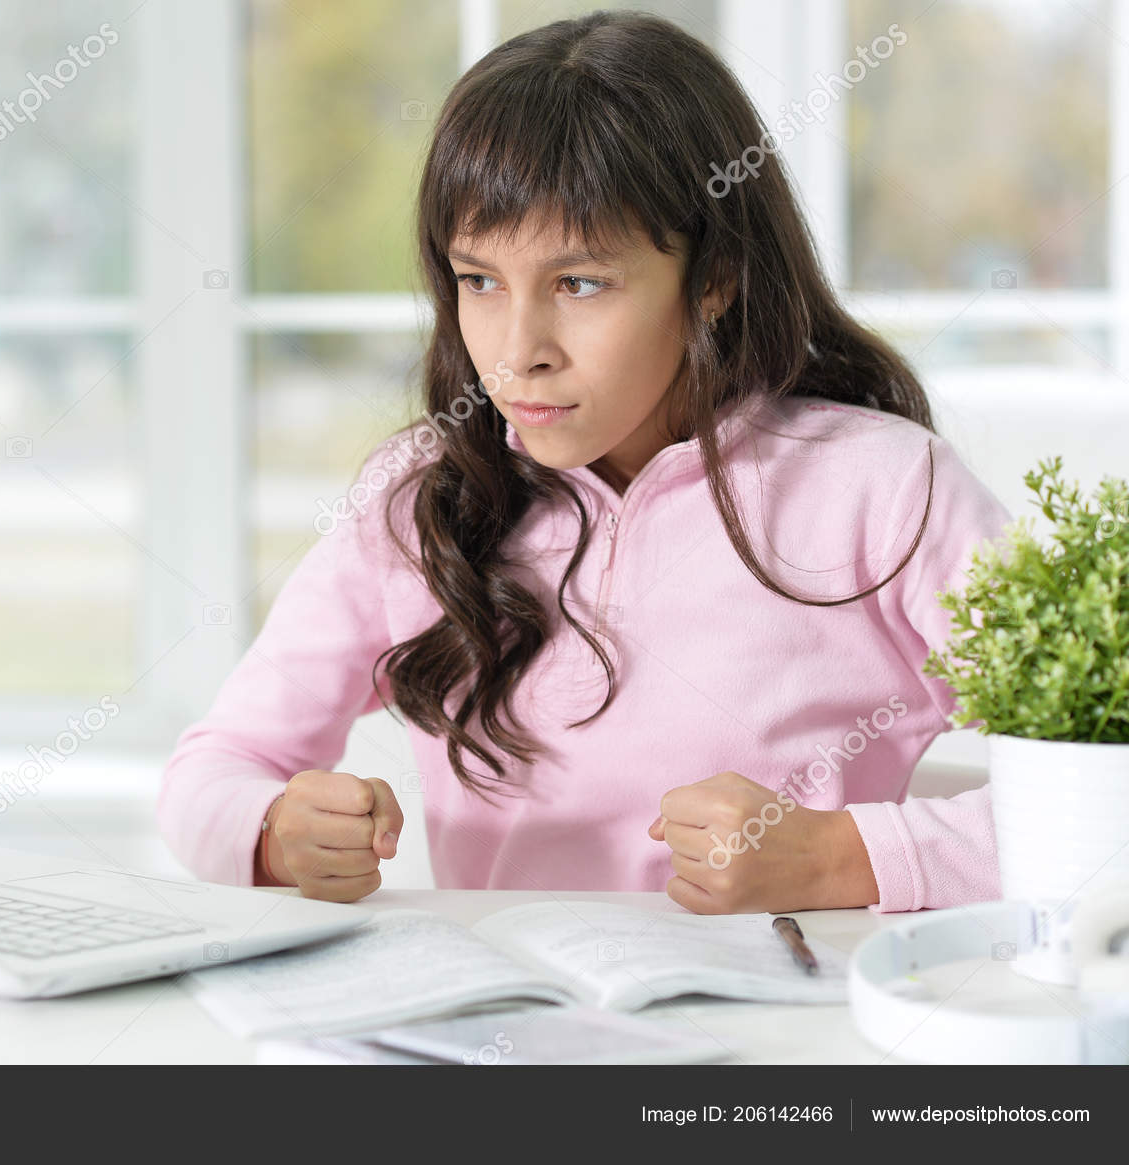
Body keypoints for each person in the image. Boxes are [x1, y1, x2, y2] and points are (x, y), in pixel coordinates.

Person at [158, 11, 1008, 913]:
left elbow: (1095, 805)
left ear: (715, 277)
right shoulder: (415, 502)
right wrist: (273, 831)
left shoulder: (887, 492)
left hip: (788, 1006)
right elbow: (213, 769)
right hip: (504, 1004)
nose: (518, 352)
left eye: (579, 283)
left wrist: (842, 859)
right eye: (480, 281)